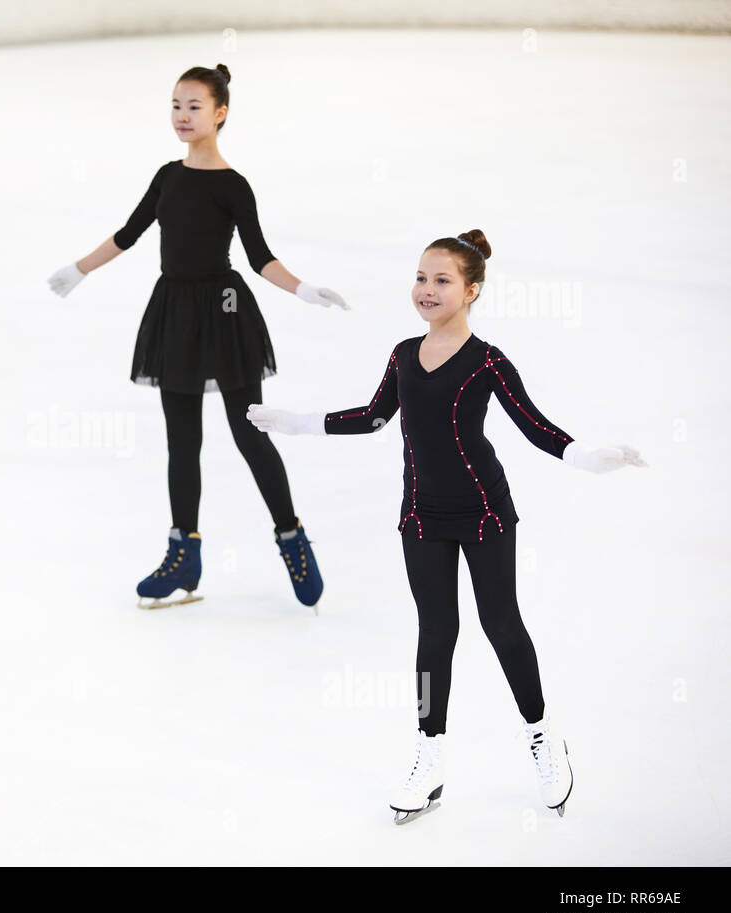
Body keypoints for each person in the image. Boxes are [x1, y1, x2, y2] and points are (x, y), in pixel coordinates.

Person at [247, 229, 647, 821]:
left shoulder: (489, 361)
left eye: (442, 280)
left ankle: (542, 735)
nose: (426, 290)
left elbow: (535, 427)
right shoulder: (404, 354)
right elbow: (373, 416)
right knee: (435, 632)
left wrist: (589, 458)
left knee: (501, 625)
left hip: (484, 510)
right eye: (420, 277)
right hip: (421, 514)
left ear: (471, 290)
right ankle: (428, 753)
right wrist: (294, 422)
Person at [47, 63, 349, 610]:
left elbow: (259, 256)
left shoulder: (233, 186)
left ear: (220, 114)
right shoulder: (166, 176)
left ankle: (292, 538)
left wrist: (304, 289)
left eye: (194, 107)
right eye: (175, 106)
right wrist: (79, 269)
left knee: (249, 432)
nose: (182, 116)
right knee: (181, 441)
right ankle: (183, 552)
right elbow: (129, 233)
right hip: (175, 313)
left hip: (225, 312)